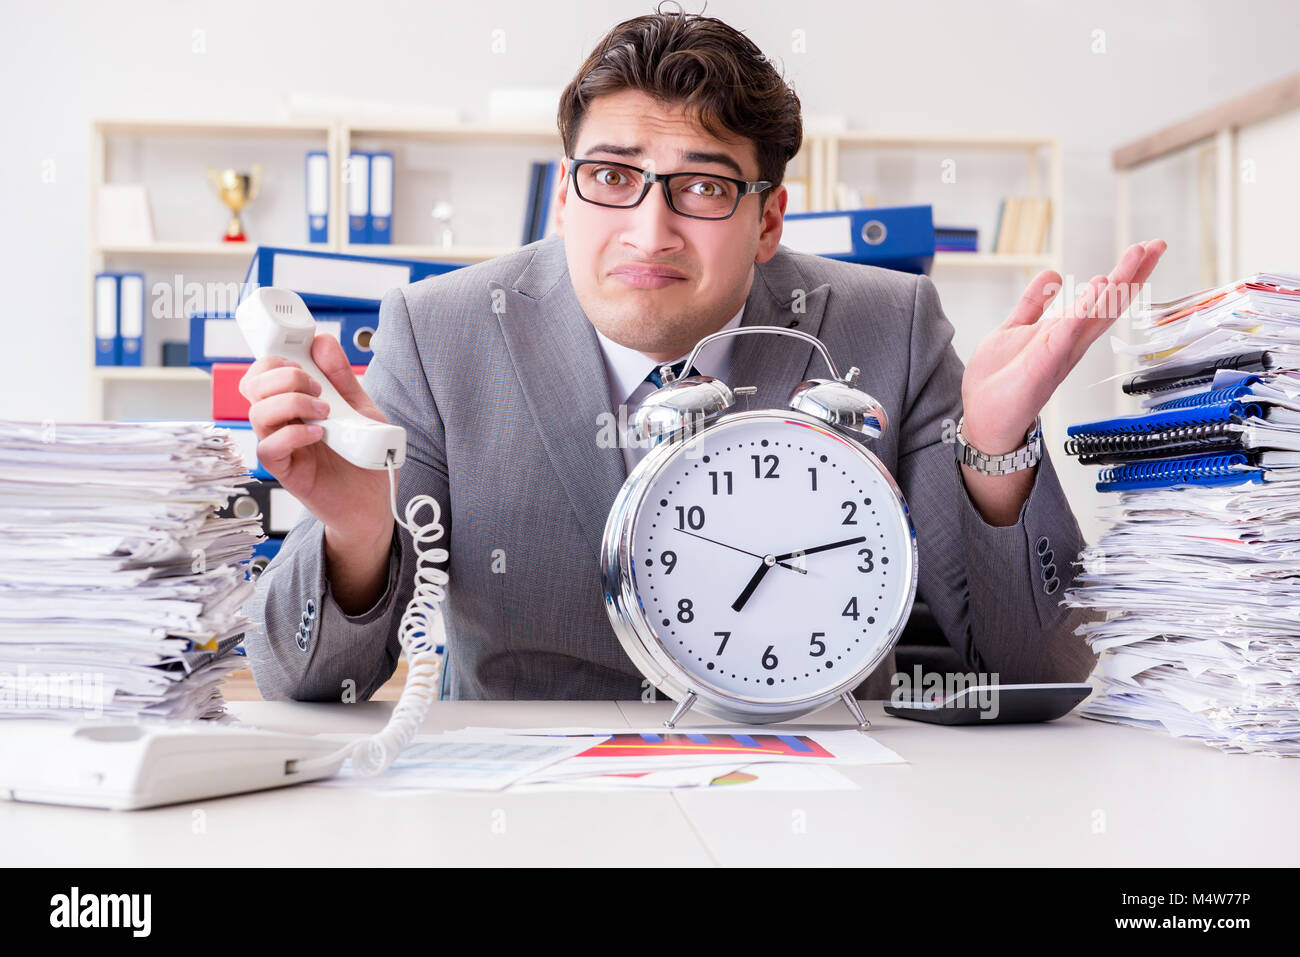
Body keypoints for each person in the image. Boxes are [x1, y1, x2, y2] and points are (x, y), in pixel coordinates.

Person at [239, 4, 1165, 703]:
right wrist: (358, 539)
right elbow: (305, 684)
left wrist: (993, 455)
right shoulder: (438, 334)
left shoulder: (893, 325)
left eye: (703, 189)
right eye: (611, 177)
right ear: (564, 196)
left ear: (767, 220)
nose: (650, 231)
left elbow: (1039, 673)